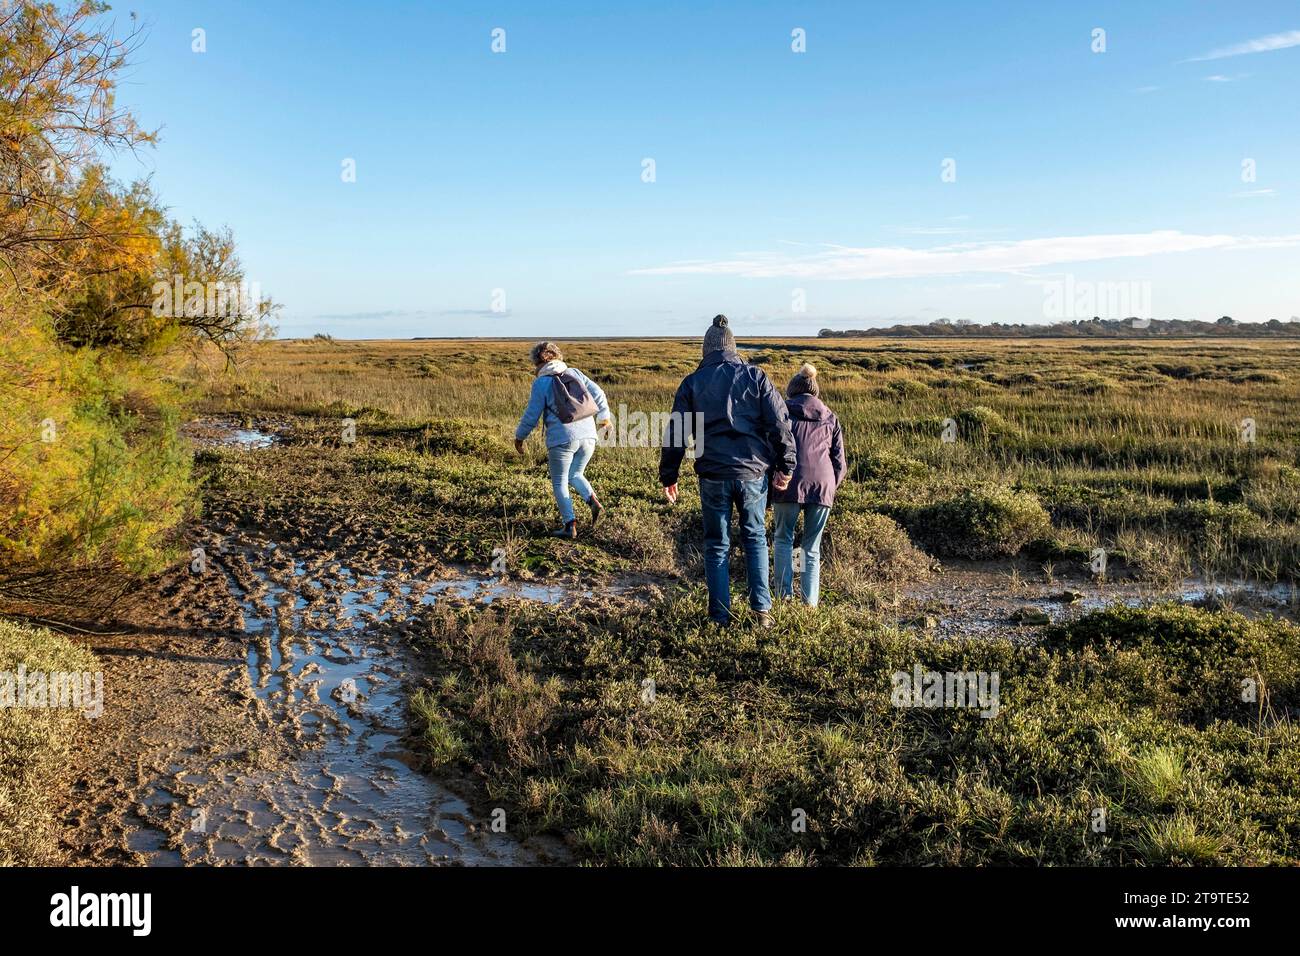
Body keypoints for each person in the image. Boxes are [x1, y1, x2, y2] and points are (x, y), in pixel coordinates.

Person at [659, 315, 796, 627]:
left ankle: (720, 616)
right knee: (755, 537)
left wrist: (670, 475)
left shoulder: (692, 383)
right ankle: (761, 611)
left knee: (716, 544)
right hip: (753, 474)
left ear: (706, 350)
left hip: (713, 474)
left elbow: (677, 433)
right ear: (733, 348)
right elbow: (780, 423)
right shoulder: (756, 376)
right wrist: (786, 465)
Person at [515, 341, 611, 539]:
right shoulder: (575, 373)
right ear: (557, 357)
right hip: (589, 436)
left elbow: (532, 415)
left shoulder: (541, 383)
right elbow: (599, 394)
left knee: (559, 482)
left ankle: (569, 525)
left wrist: (520, 437)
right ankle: (593, 501)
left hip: (562, 439)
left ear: (537, 362)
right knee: (576, 473)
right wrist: (604, 420)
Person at [770, 363, 846, 607]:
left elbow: (771, 451)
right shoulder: (830, 417)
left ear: (791, 392)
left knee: (783, 539)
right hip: (822, 487)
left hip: (787, 484)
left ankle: (784, 598)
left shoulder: (781, 414)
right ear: (815, 393)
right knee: (810, 548)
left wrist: (773, 479)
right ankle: (809, 604)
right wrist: (831, 486)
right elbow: (839, 463)